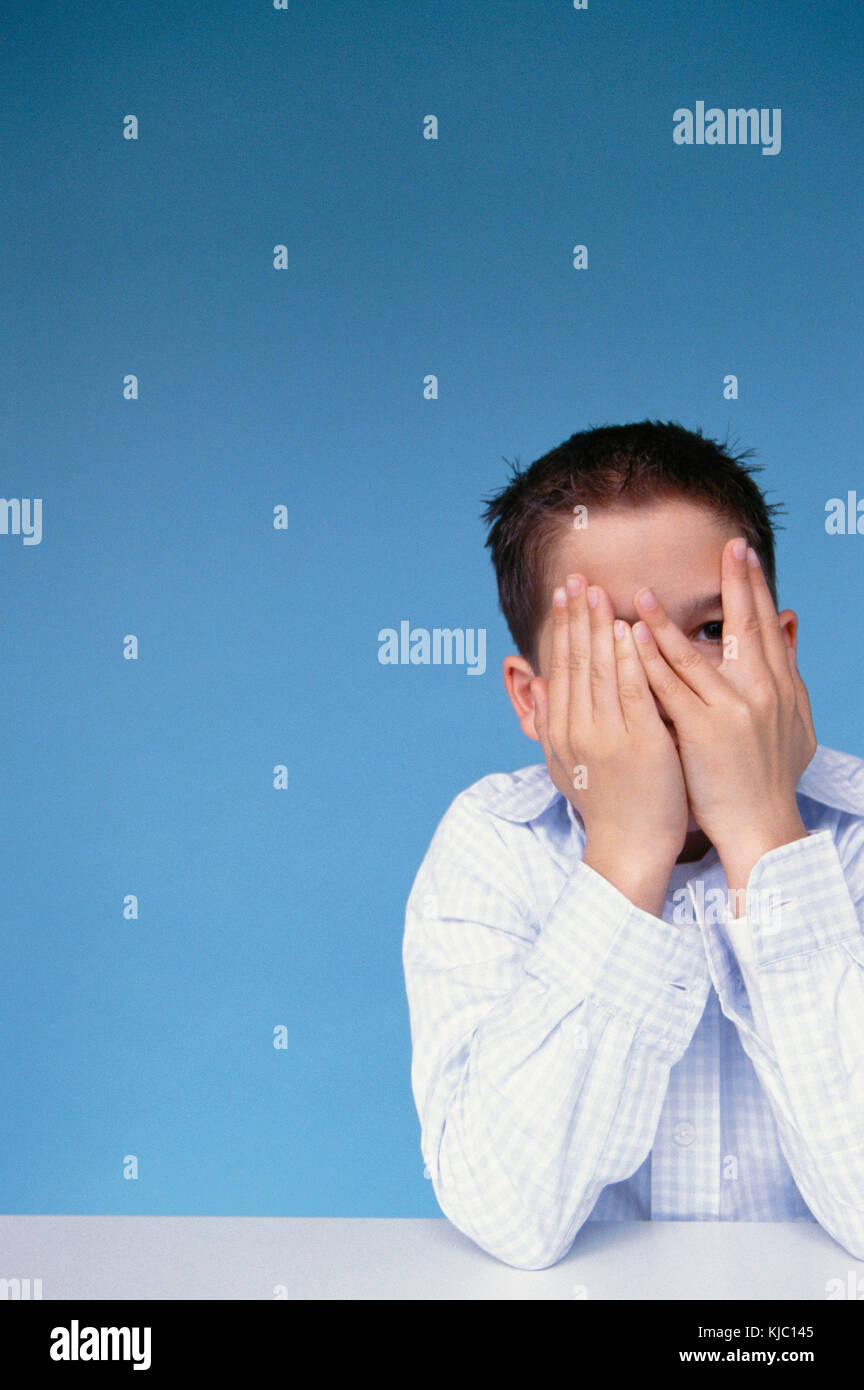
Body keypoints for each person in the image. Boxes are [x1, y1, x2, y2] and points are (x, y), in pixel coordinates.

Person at [402, 419, 864, 1270]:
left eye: (714, 632)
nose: (667, 685)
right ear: (533, 703)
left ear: (783, 654)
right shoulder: (493, 846)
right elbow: (509, 1217)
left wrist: (764, 832)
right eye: (610, 647)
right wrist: (625, 853)